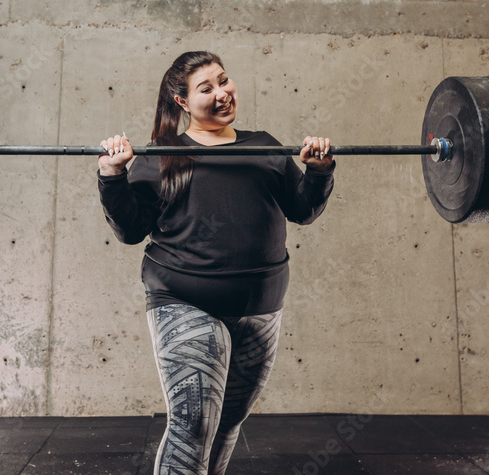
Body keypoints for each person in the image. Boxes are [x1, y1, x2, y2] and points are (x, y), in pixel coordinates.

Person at [96, 50, 335, 474]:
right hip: (185, 301)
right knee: (192, 427)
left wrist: (317, 171)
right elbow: (131, 230)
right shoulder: (163, 154)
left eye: (224, 81)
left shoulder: (265, 146)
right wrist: (112, 176)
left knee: (227, 423)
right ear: (183, 102)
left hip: (261, 309)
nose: (222, 93)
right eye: (206, 89)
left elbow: (302, 210)